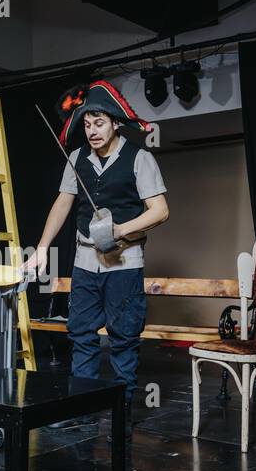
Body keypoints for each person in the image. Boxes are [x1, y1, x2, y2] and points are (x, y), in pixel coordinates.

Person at [21, 81, 169, 440]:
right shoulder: (76, 159)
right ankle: (81, 410)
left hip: (124, 263)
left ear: (115, 122)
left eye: (99, 123)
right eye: (87, 124)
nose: (92, 131)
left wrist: (121, 230)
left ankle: (123, 410)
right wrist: (42, 246)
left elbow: (160, 210)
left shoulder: (140, 158)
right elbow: (62, 203)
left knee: (123, 338)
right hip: (86, 263)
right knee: (82, 335)